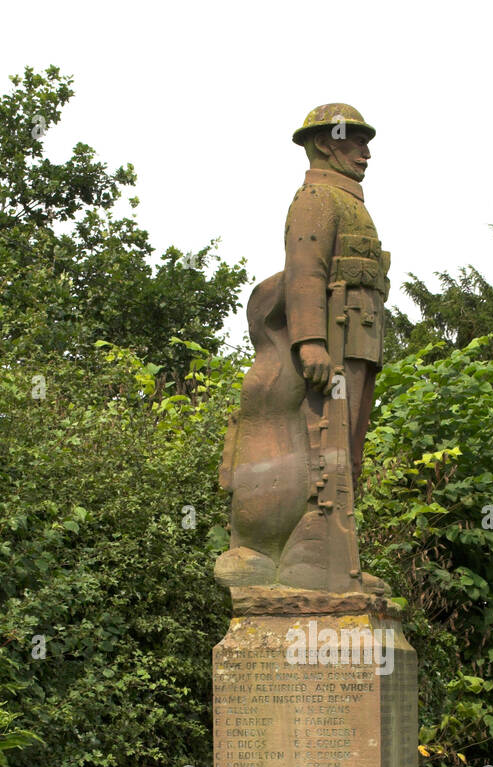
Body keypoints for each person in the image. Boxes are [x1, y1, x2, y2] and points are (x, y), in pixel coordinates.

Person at [214, 104, 390, 594]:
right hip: (331, 338)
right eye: (355, 142)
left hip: (357, 338)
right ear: (324, 144)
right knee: (324, 443)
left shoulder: (349, 201)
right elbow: (305, 272)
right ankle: (309, 561)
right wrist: (309, 340)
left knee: (347, 452)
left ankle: (337, 562)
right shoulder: (316, 198)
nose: (366, 153)